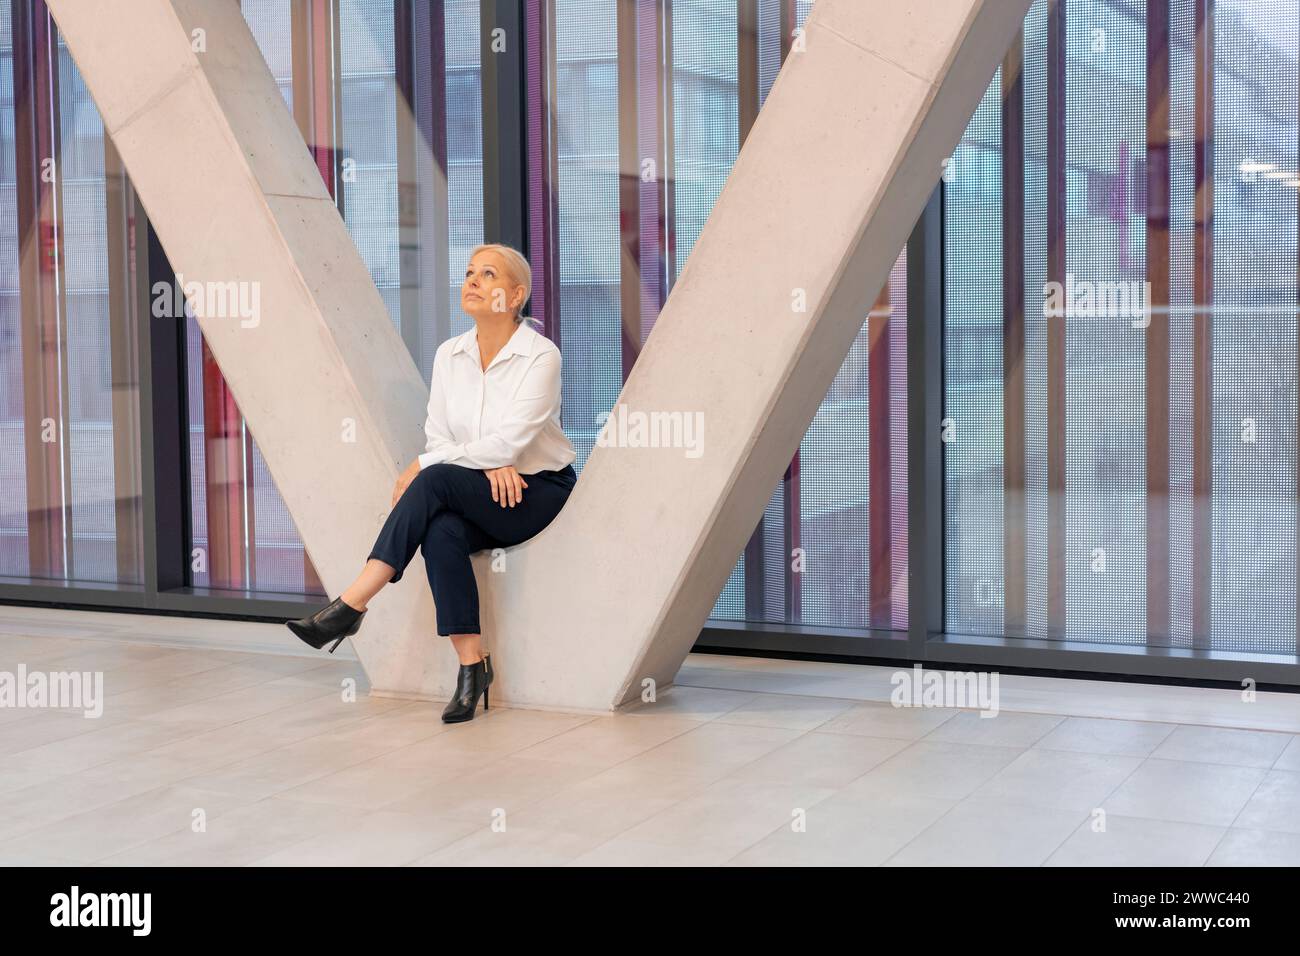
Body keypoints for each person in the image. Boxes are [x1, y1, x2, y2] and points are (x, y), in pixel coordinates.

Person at [286, 243, 578, 723]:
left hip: (538, 490)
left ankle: (352, 602)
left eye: (488, 274)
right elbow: (441, 435)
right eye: (469, 272)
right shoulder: (450, 355)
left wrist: (461, 460)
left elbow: (508, 443)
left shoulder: (540, 356)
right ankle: (471, 667)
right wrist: (485, 462)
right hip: (484, 487)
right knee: (442, 531)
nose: (473, 281)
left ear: (517, 294)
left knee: (435, 476)